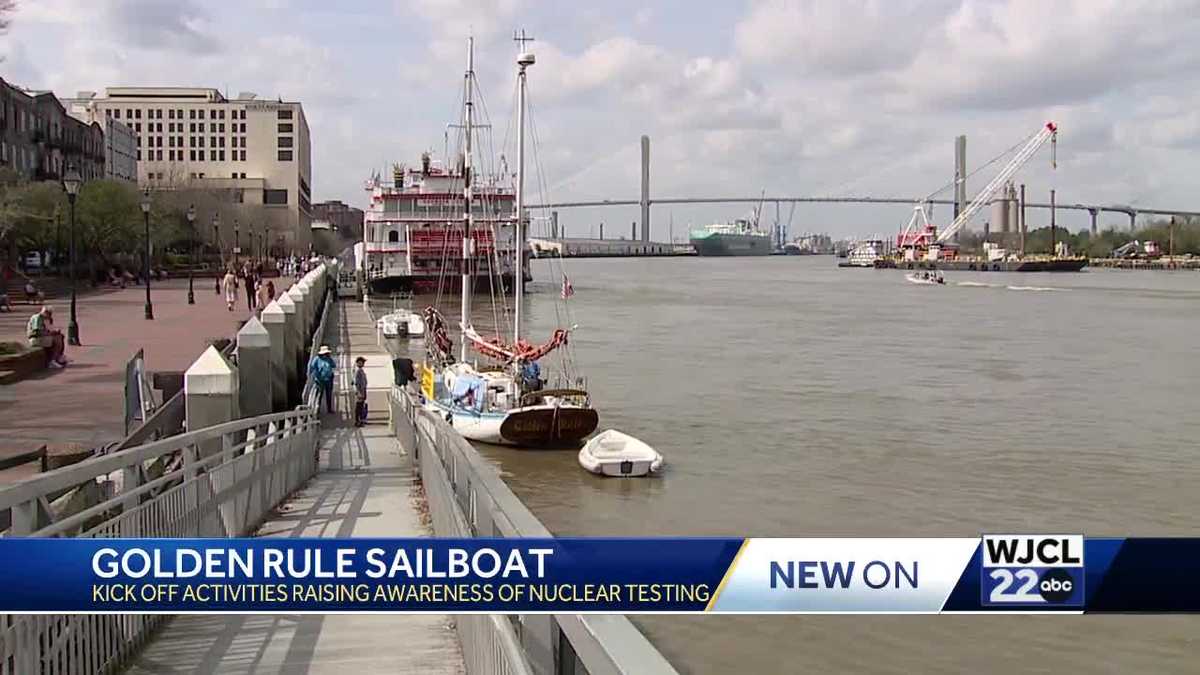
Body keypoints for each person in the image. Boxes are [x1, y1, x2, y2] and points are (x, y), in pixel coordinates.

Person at [307, 345, 337, 414]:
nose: (325, 355)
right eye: (324, 354)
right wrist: (311, 375)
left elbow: (334, 365)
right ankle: (317, 410)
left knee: (329, 394)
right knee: (319, 395)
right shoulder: (317, 359)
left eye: (326, 354)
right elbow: (312, 367)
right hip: (320, 380)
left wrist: (330, 359)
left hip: (329, 379)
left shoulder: (329, 359)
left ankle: (329, 409)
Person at [353, 356, 369, 426]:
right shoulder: (358, 371)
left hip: (362, 390)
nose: (363, 364)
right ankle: (358, 421)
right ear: (359, 363)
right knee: (359, 406)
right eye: (362, 362)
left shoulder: (359, 370)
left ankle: (360, 420)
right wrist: (358, 392)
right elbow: (356, 382)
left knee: (361, 406)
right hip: (360, 391)